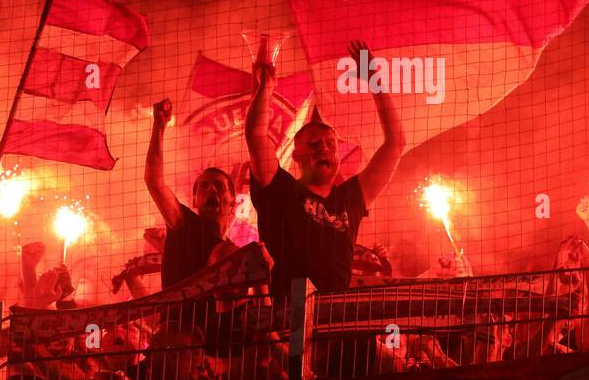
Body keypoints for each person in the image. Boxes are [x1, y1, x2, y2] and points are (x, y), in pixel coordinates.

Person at [246, 41, 405, 298]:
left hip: (335, 320)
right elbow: (255, 135)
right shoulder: (280, 190)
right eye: (315, 144)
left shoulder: (350, 199)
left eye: (331, 144)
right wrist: (267, 87)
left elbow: (396, 143)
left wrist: (375, 81)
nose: (324, 149)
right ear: (296, 155)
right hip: (290, 315)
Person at [145, 98, 239, 287]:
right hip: (178, 318)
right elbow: (154, 182)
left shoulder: (231, 252)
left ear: (232, 202)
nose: (211, 189)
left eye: (219, 186)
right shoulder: (183, 224)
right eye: (204, 186)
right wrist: (159, 126)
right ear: (195, 201)